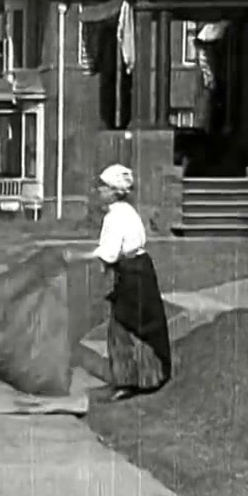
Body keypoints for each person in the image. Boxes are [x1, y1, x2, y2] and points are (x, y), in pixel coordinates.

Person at [92, 164, 172, 401]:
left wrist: (80, 258)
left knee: (123, 327)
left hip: (129, 273)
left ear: (114, 191)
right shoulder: (129, 212)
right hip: (142, 270)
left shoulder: (115, 217)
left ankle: (129, 381)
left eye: (103, 187)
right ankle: (147, 377)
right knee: (140, 323)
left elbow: (109, 253)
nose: (99, 191)